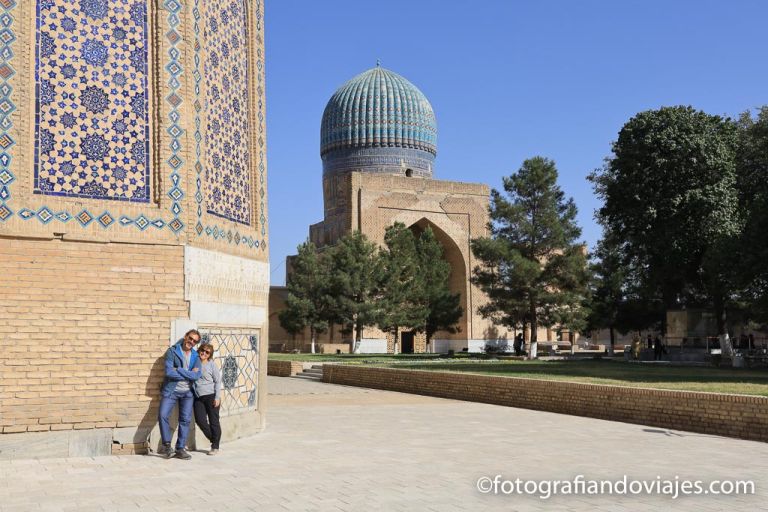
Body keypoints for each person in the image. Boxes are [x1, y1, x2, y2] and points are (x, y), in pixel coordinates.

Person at [158, 329, 202, 460]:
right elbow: (169, 372)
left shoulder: (196, 356)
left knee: (185, 420)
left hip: (188, 393)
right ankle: (167, 446)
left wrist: (180, 370)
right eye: (190, 338)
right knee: (162, 415)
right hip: (171, 390)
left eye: (195, 341)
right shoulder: (172, 351)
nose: (191, 342)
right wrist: (188, 375)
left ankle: (180, 448)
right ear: (185, 336)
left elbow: (197, 375)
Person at [194, 342, 223, 455]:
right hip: (198, 397)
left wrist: (217, 397)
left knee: (214, 421)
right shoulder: (194, 363)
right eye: (203, 350)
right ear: (199, 350)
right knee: (200, 420)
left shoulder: (211, 365)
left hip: (211, 396)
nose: (204, 353)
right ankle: (214, 439)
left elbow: (217, 381)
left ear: (210, 355)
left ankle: (215, 446)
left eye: (207, 352)